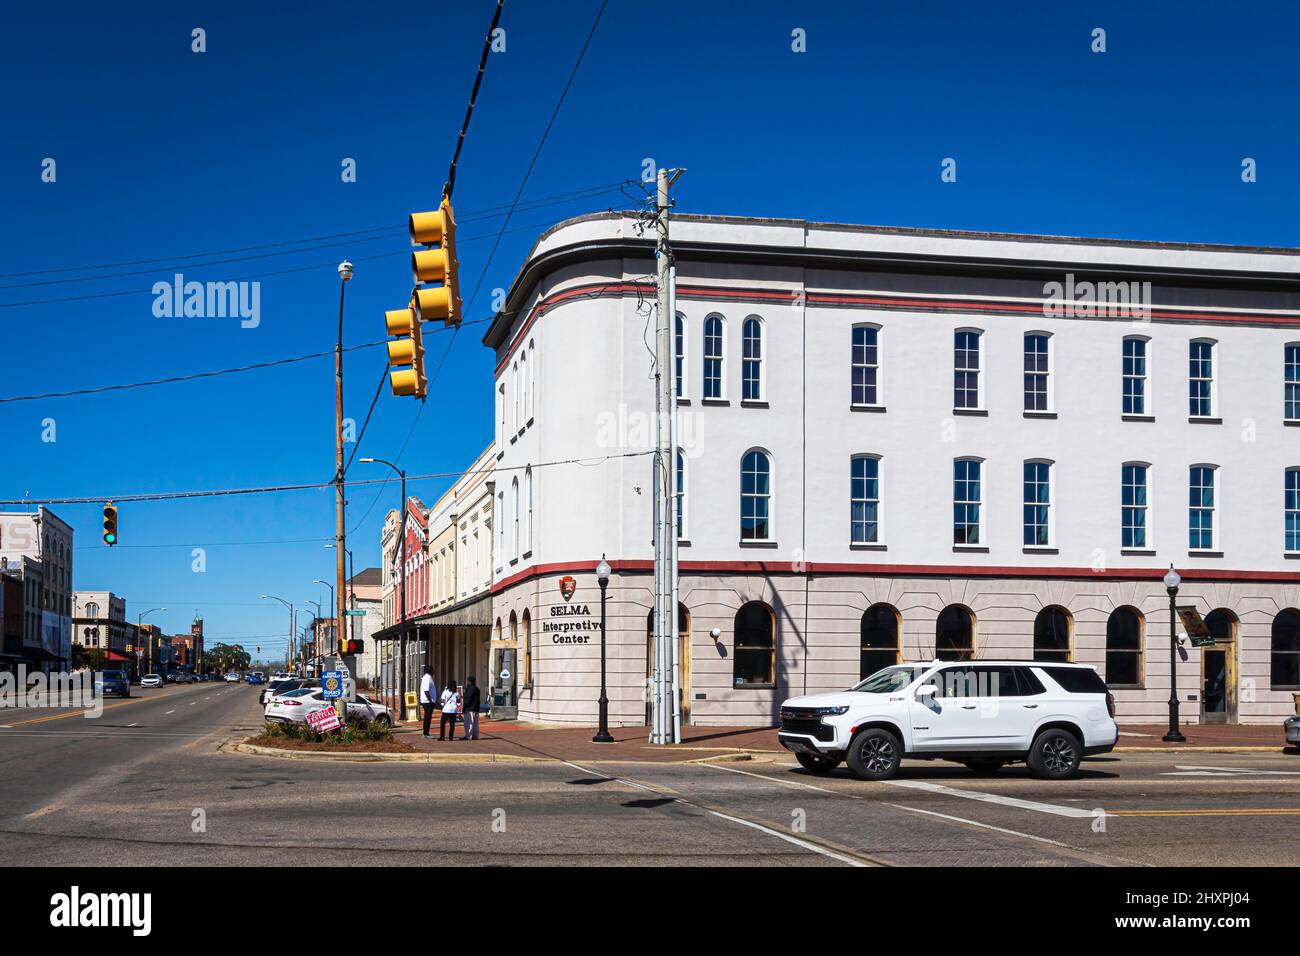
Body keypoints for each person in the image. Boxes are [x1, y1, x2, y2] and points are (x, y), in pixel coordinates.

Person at [419, 666, 438, 738]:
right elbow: (426, 691)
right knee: (427, 717)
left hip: (427, 701)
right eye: (433, 671)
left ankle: (426, 733)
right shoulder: (427, 678)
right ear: (430, 671)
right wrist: (430, 700)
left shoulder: (427, 677)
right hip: (428, 702)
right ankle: (425, 733)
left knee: (428, 717)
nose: (433, 672)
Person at [461, 676, 481, 740]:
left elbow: (468, 699)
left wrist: (464, 708)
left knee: (469, 723)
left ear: (469, 681)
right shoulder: (477, 689)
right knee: (475, 724)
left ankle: (468, 736)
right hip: (476, 708)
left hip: (470, 709)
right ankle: (475, 736)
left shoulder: (470, 688)